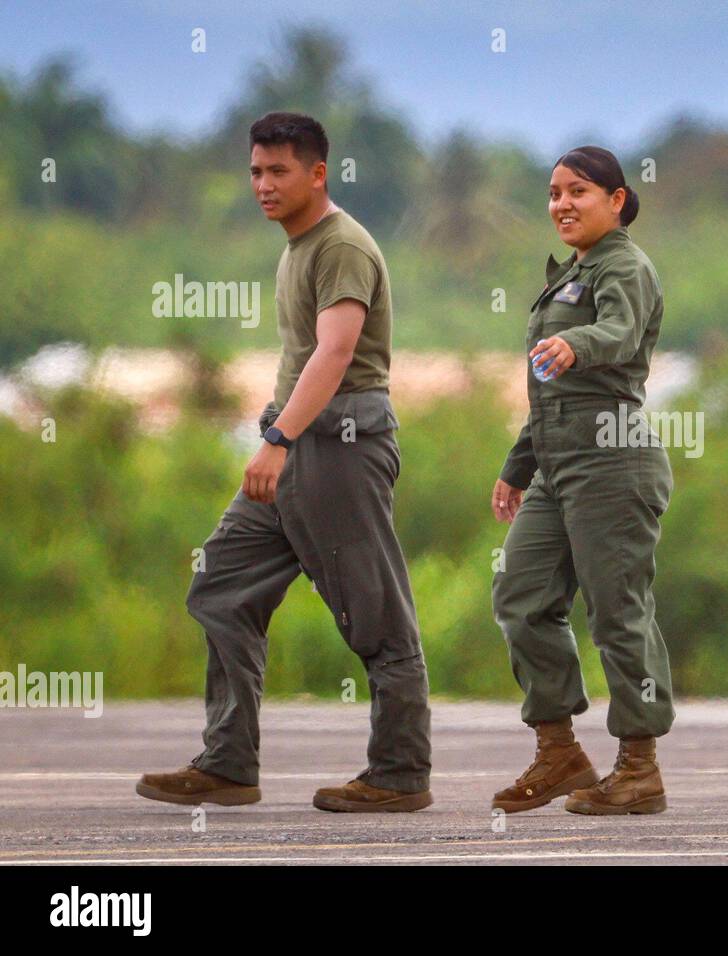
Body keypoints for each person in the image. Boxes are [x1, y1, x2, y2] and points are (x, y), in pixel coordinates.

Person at [136, 112, 433, 812]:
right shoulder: (296, 246)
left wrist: (277, 440)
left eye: (278, 171)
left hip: (338, 451)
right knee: (222, 584)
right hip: (298, 447)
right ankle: (229, 763)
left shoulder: (342, 247)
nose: (263, 185)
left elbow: (335, 352)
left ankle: (399, 774)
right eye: (256, 171)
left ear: (317, 174)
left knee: (377, 619)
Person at [490, 146, 675, 816]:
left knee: (618, 612)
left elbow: (620, 333)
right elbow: (548, 391)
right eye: (554, 192)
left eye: (579, 192)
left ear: (617, 201)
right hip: (558, 460)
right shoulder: (572, 272)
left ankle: (639, 766)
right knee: (521, 593)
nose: (562, 204)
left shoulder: (623, 263)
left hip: (611, 458)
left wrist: (580, 344)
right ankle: (558, 749)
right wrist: (519, 466)